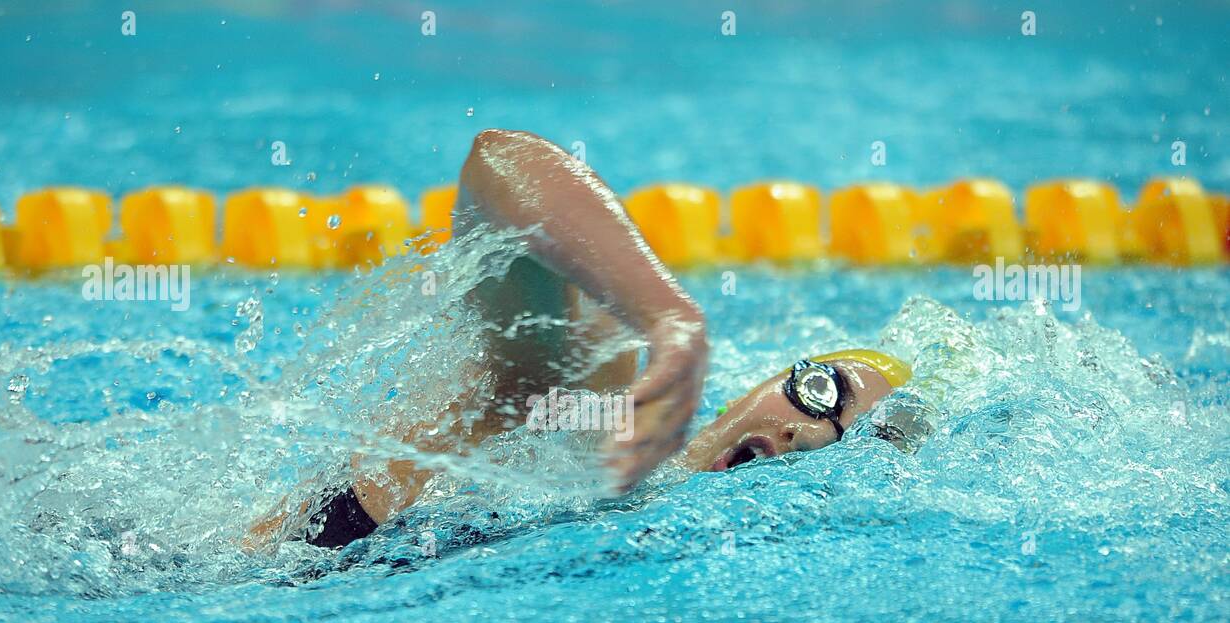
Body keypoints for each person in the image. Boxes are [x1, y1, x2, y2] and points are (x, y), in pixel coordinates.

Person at [248, 130, 909, 551]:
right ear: (767, 380)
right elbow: (495, 161)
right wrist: (671, 319)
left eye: (852, 437)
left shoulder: (657, 539)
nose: (814, 433)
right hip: (178, 575)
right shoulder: (596, 399)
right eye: (822, 391)